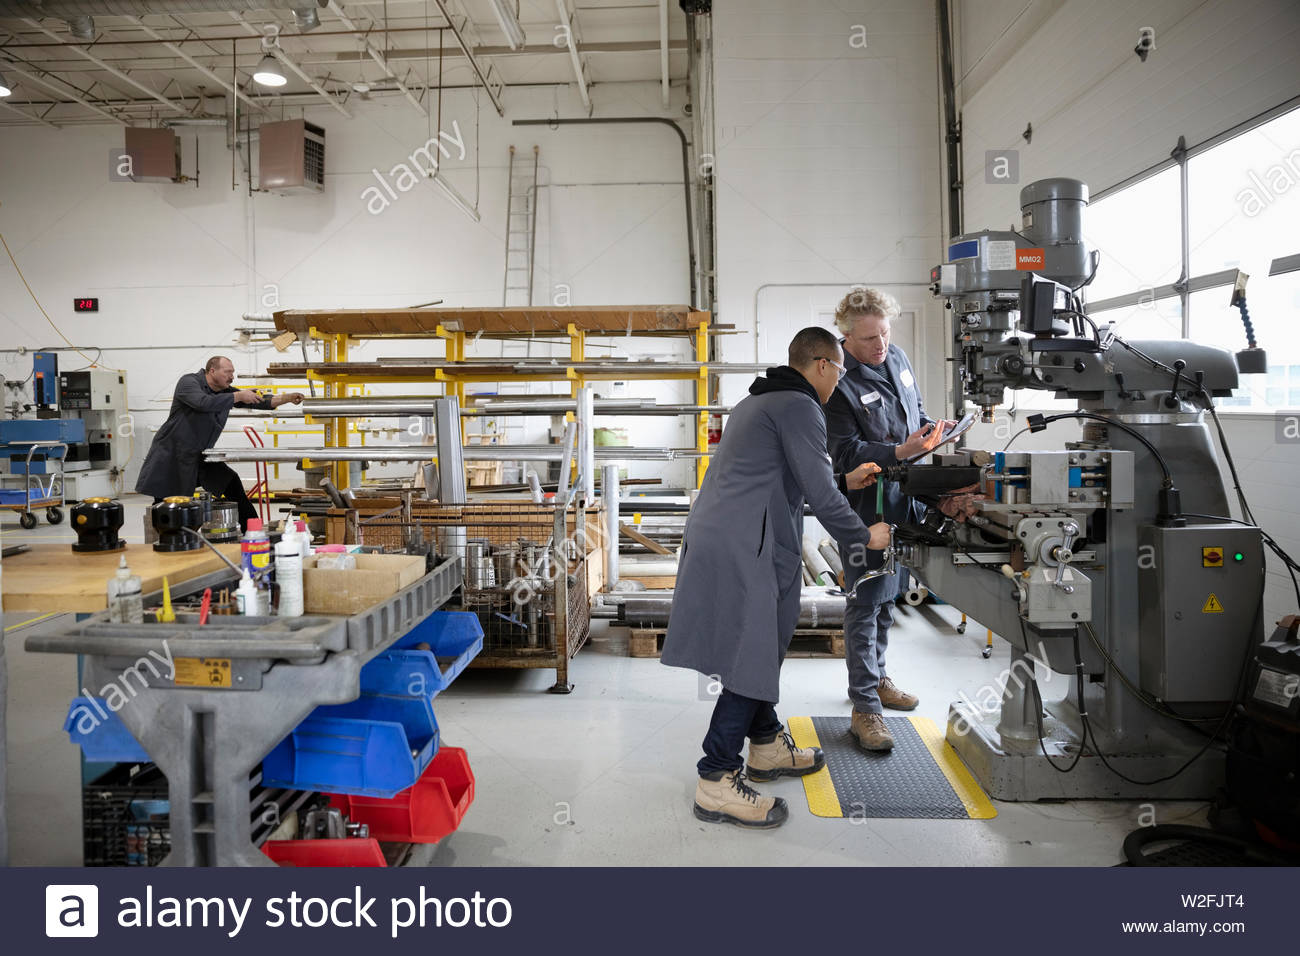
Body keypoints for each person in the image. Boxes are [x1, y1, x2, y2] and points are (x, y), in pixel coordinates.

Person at [661, 327, 891, 829]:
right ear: (823, 365)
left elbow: (789, 475)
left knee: (759, 647)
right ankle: (716, 778)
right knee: (752, 652)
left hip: (731, 536)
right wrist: (865, 536)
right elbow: (821, 496)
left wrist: (845, 479)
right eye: (840, 372)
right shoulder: (799, 405)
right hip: (745, 544)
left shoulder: (761, 400)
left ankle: (765, 744)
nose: (839, 384)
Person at [825, 288, 956, 753]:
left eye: (884, 333)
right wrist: (900, 450)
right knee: (865, 600)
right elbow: (844, 454)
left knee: (888, 597)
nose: (880, 345)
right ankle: (865, 707)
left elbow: (912, 411)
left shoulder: (896, 357)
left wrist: (932, 433)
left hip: (904, 496)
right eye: (868, 338)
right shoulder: (837, 380)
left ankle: (877, 678)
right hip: (866, 502)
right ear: (846, 336)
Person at [136, 356, 303, 531]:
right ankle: (167, 539)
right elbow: (203, 403)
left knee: (231, 483)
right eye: (227, 372)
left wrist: (287, 398)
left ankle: (253, 532)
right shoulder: (189, 382)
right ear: (212, 371)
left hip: (200, 457)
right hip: (172, 457)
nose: (231, 377)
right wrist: (238, 395)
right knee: (169, 507)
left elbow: (259, 401)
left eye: (233, 373)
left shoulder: (224, 392)